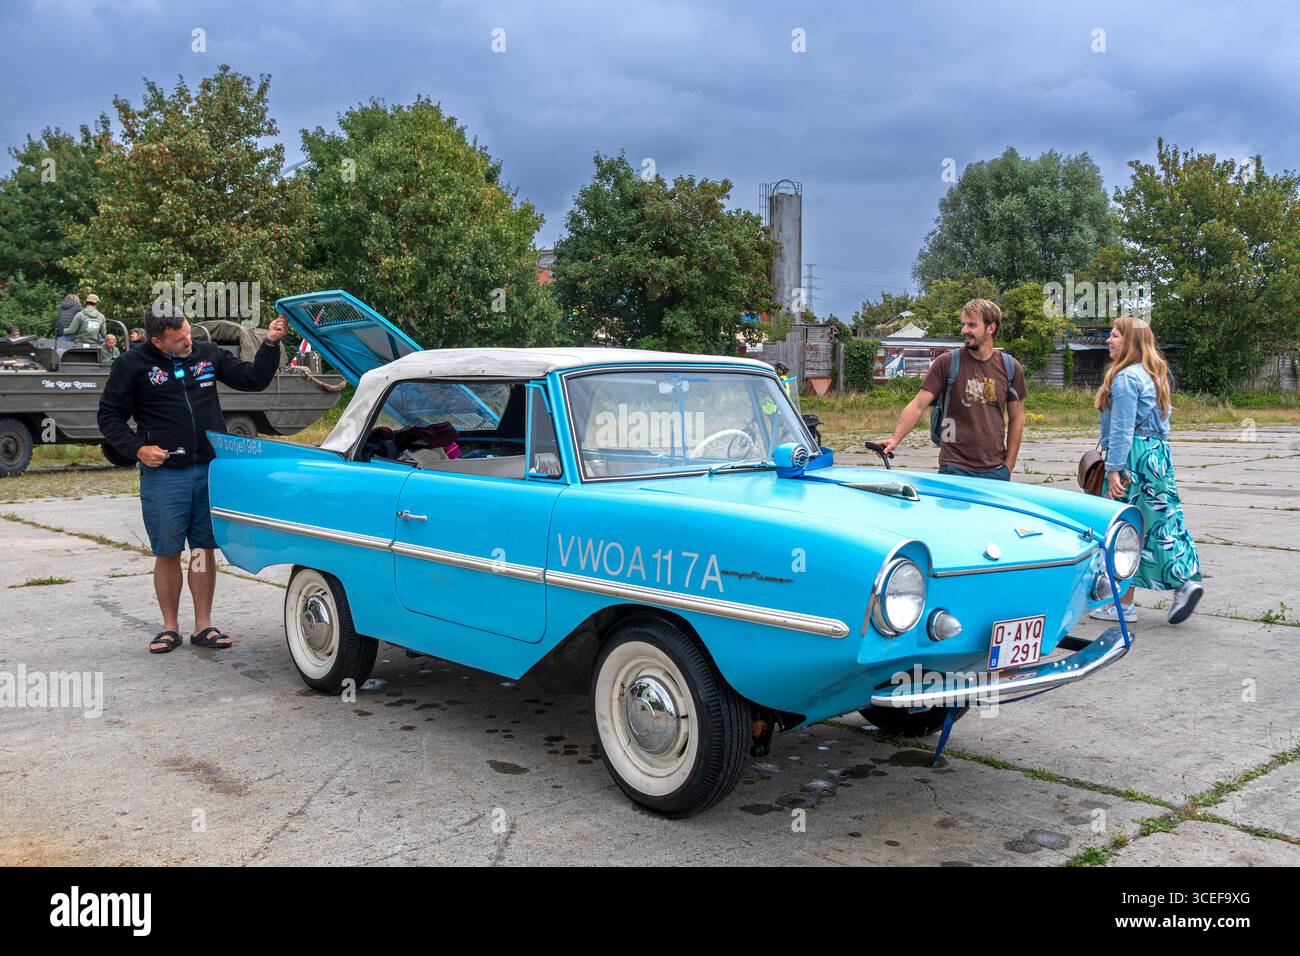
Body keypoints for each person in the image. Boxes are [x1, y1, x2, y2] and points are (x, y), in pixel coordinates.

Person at [97, 300, 288, 654]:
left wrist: (271, 344)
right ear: (157, 341)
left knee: (203, 549)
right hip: (165, 476)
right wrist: (138, 449)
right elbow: (109, 417)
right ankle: (170, 628)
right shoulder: (131, 365)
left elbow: (253, 379)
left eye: (188, 334)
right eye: (179, 339)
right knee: (168, 551)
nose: (188, 342)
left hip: (208, 472)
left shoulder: (206, 354)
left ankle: (204, 625)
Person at [1091, 316, 1203, 625]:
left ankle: (1132, 601)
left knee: (1122, 528)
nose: (1108, 341)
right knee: (1159, 523)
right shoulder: (1155, 375)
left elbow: (1123, 429)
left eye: (1114, 336)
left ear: (1130, 342)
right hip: (1157, 456)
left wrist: (1114, 470)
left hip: (1133, 459)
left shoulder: (1126, 378)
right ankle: (1135, 598)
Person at [877, 299, 1027, 480]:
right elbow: (918, 404)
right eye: (963, 324)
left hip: (995, 469)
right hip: (954, 467)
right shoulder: (947, 363)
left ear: (991, 328)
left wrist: (1008, 465)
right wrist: (895, 439)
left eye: (972, 325)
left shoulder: (1010, 367)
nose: (965, 330)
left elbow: (1017, 417)